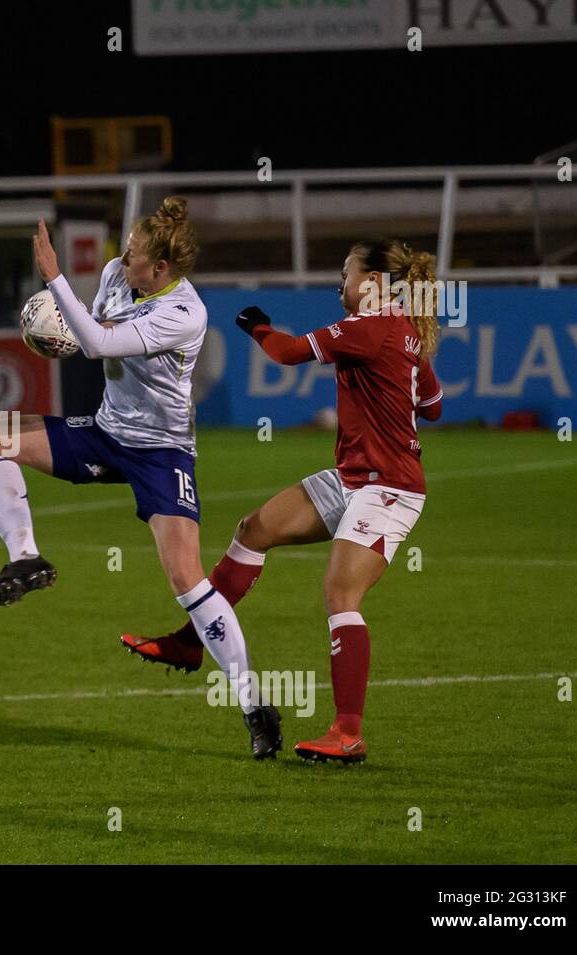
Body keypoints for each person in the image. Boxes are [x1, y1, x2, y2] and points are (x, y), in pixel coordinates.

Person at [0, 199, 282, 760]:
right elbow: (86, 328)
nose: (122, 258)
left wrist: (55, 279)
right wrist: (52, 330)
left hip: (161, 453)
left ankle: (256, 706)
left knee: (187, 580)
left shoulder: (187, 313)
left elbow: (99, 344)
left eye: (134, 255)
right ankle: (26, 559)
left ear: (159, 270)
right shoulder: (117, 274)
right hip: (107, 432)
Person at [124, 239, 443, 765]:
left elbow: (288, 352)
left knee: (341, 595)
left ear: (374, 282)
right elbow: (432, 406)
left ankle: (348, 731)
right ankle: (189, 641)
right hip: (352, 478)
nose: (340, 280)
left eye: (347, 270)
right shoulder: (402, 331)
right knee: (254, 529)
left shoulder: (369, 328)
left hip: (389, 489)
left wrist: (257, 326)